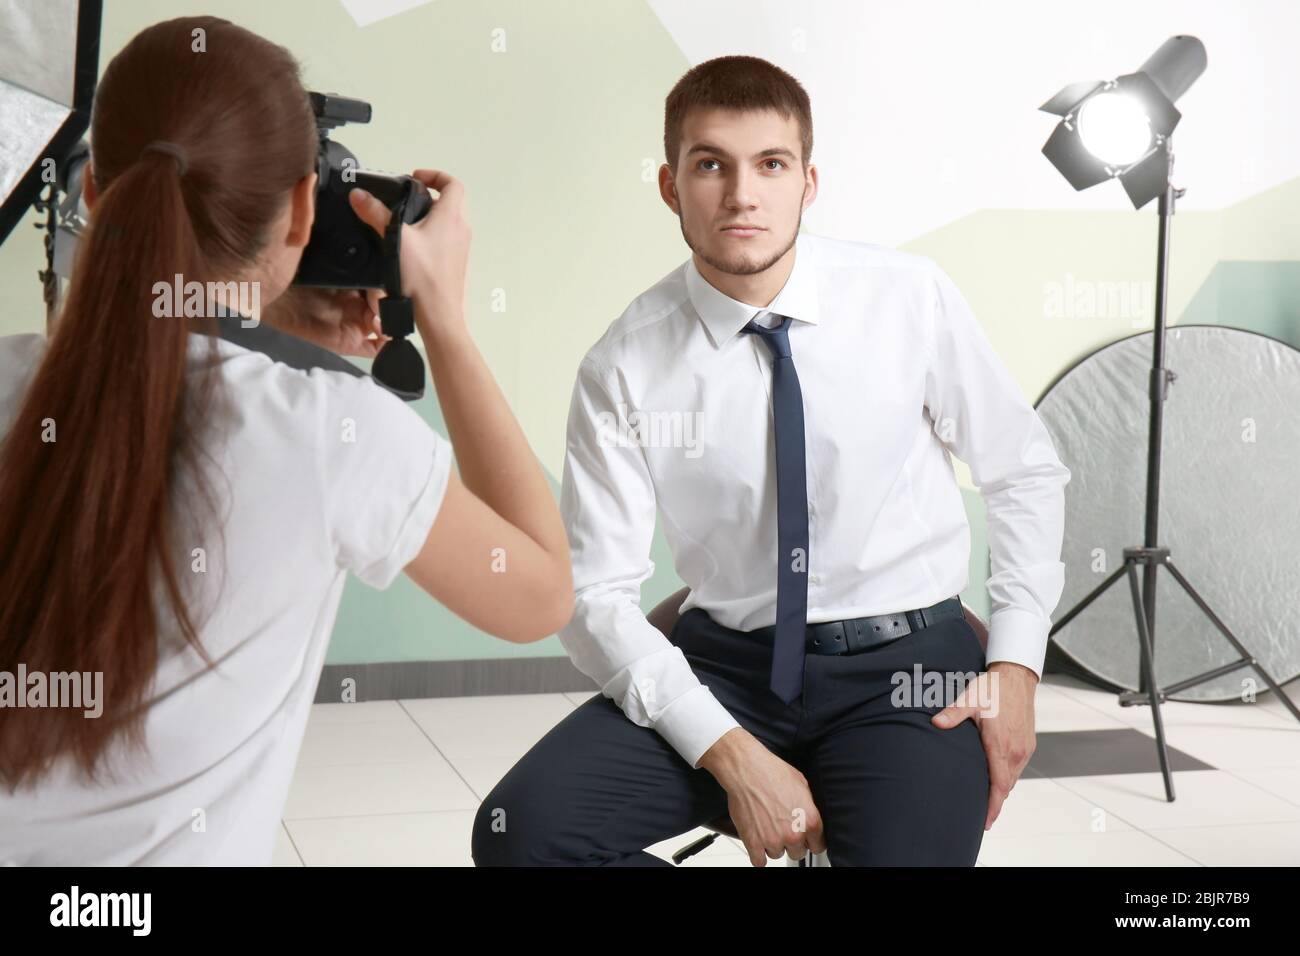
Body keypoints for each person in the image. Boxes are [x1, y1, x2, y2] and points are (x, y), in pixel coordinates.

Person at [472, 55, 1070, 866]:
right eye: (710, 164)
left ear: (808, 182)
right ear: (669, 185)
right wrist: (731, 753)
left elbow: (1023, 471)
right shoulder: (625, 363)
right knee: (524, 835)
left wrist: (1018, 669)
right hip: (728, 670)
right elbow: (595, 596)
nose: (742, 194)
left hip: (906, 673)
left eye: (771, 164)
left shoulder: (908, 298)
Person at [0, 16, 572, 865]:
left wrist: (262, 328)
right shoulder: (338, 435)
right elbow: (542, 593)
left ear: (91, 195)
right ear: (303, 209)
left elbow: (115, 366)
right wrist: (446, 322)